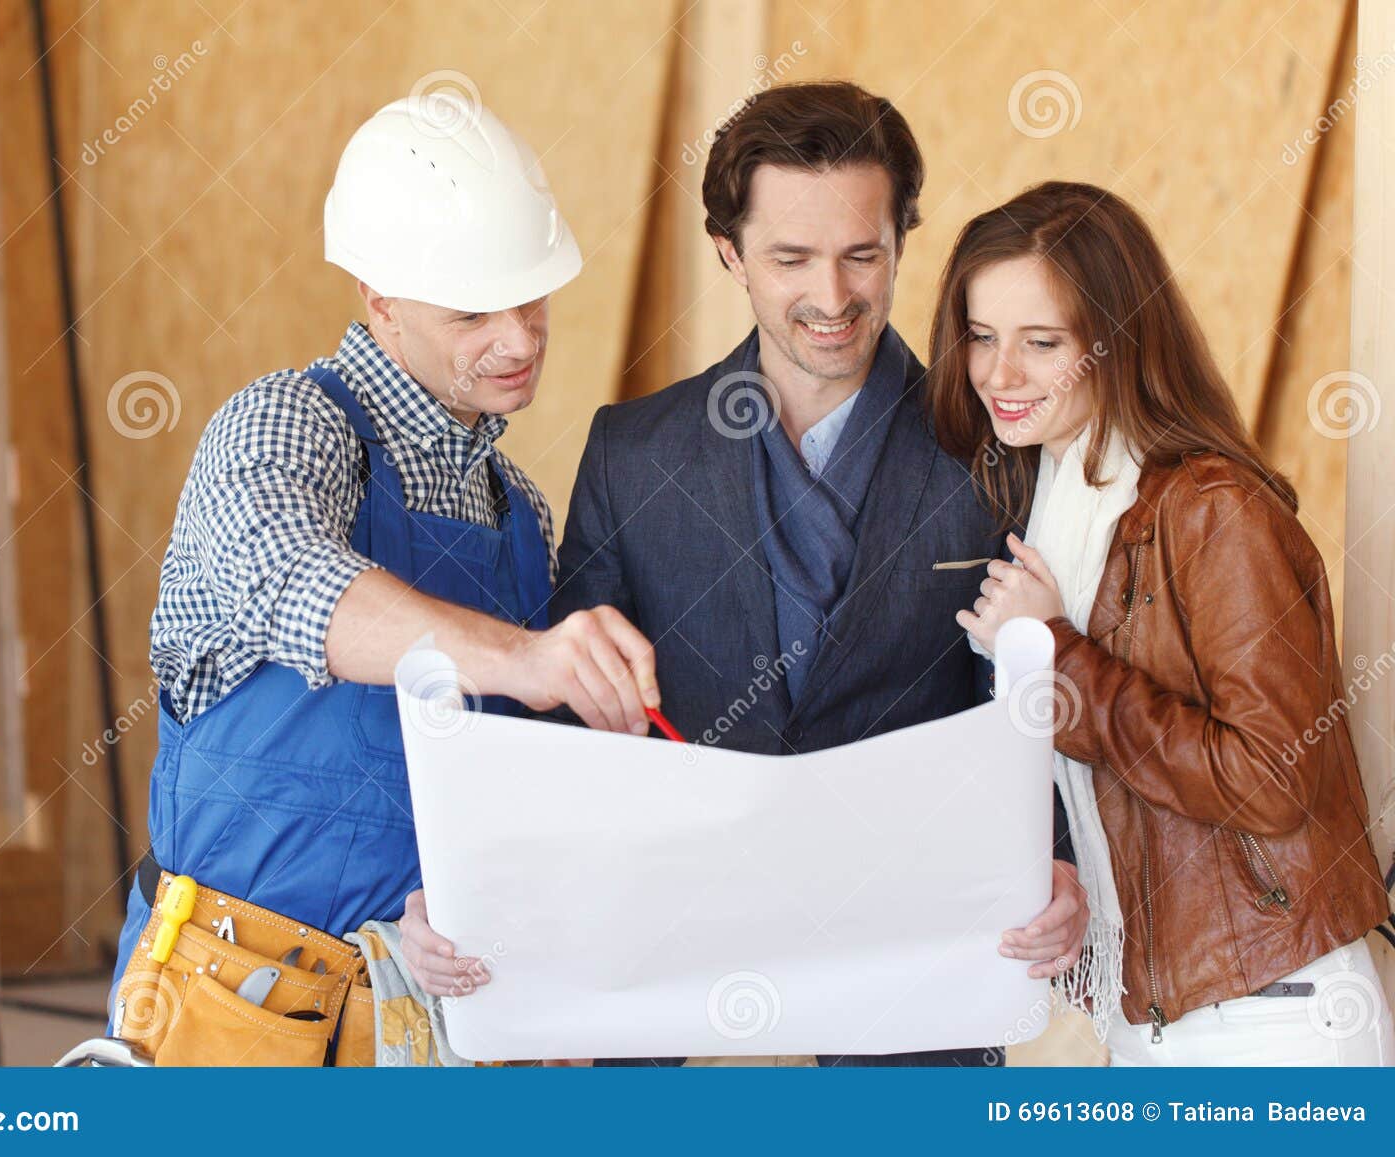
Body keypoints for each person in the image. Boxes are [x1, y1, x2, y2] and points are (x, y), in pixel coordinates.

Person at [403, 81, 1091, 1067]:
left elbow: (1021, 691)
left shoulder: (992, 445)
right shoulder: (633, 451)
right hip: (662, 935)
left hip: (914, 941)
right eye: (790, 258)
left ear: (902, 238)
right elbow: (560, 711)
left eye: (864, 253)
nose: (834, 295)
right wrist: (464, 882)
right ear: (729, 253)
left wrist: (1057, 858)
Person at [106, 93, 659, 1033]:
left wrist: (463, 908)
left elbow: (491, 795)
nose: (520, 338)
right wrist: (523, 657)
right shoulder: (285, 426)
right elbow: (290, 577)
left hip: (417, 1032)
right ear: (380, 299)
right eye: (474, 310)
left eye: (530, 297)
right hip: (228, 1019)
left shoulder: (519, 510)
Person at [932, 179, 1394, 1065]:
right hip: (1149, 1013)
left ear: (1115, 344)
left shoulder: (1214, 510)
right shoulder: (1057, 514)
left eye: (1041, 342)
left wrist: (1059, 658)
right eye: (982, 337)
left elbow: (1270, 781)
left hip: (1271, 1015)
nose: (999, 373)